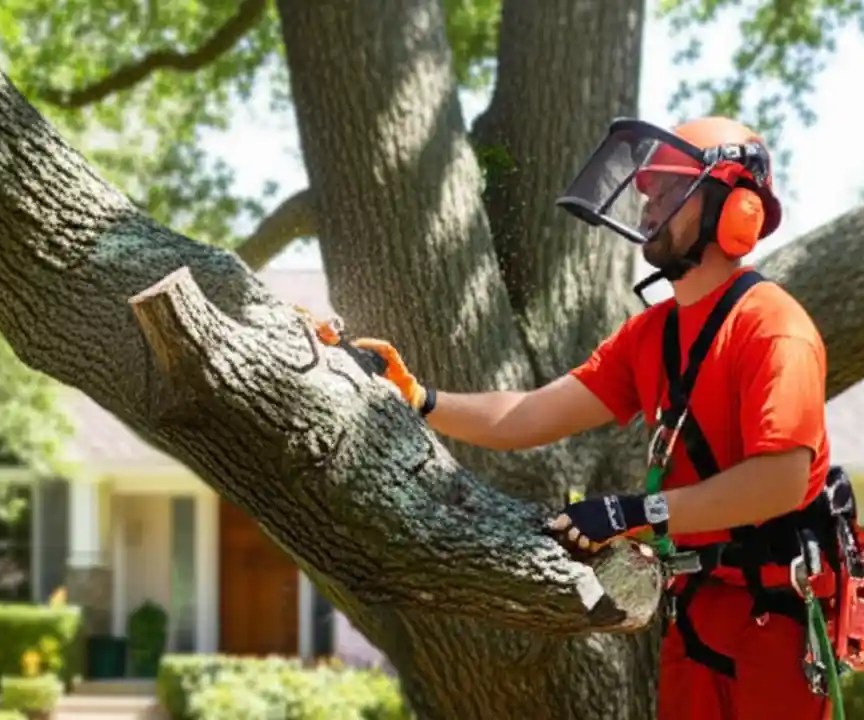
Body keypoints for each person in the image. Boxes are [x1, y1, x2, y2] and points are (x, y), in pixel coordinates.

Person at [315, 115, 834, 719]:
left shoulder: (773, 326)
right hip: (694, 610)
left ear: (733, 208)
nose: (647, 211)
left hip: (774, 618)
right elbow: (525, 416)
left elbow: (781, 481)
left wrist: (635, 513)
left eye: (666, 192)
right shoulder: (652, 336)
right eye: (647, 194)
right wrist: (420, 399)